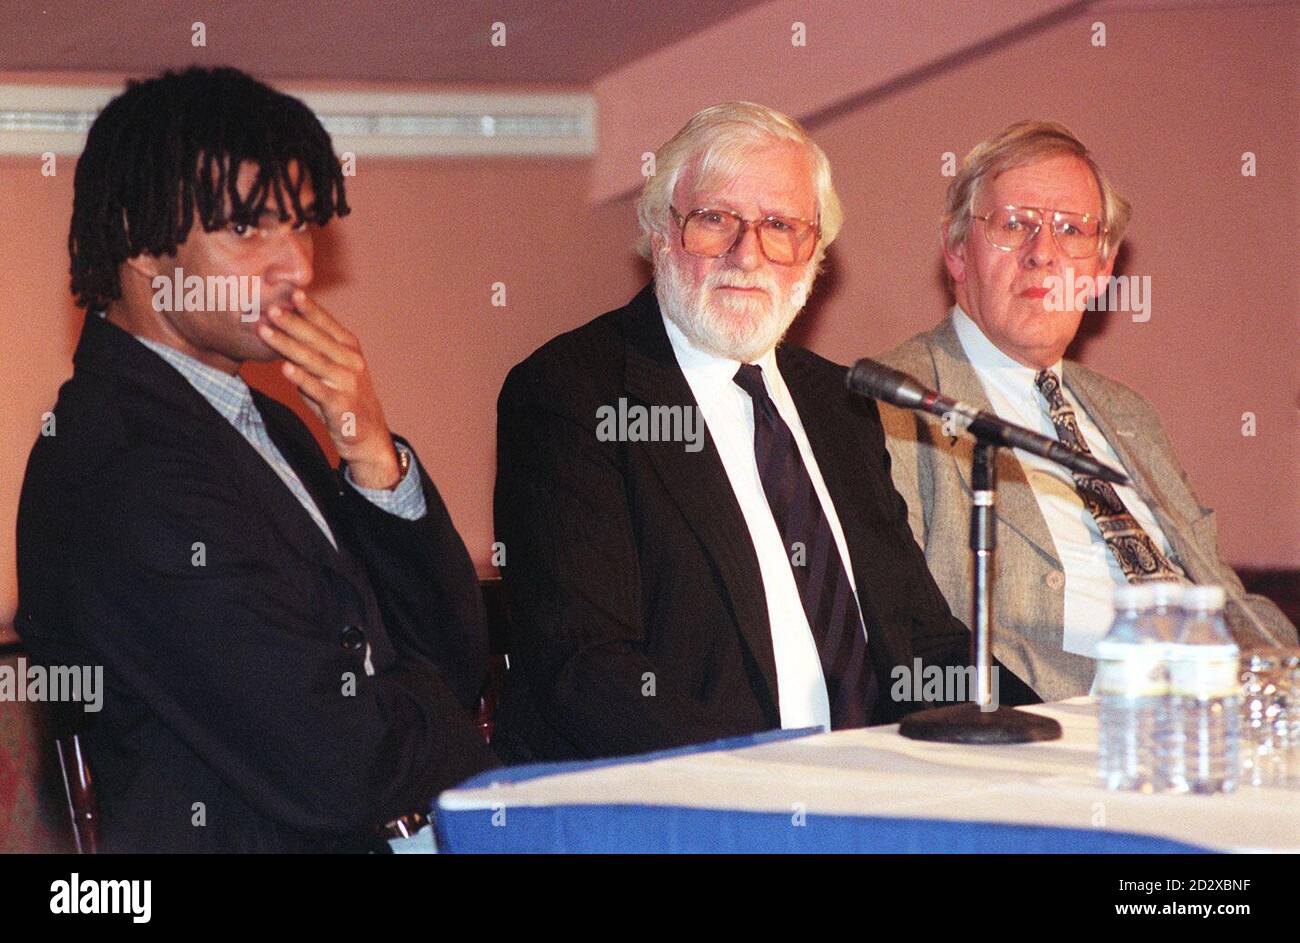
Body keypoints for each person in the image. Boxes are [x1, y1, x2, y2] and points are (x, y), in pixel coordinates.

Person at [15, 66, 496, 852]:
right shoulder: (123, 465)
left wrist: (371, 450)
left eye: (301, 226)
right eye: (248, 229)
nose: (298, 268)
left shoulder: (263, 421)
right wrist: (430, 705)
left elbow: (455, 651)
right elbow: (340, 762)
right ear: (141, 240)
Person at [493, 102, 1033, 763]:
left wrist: (1057, 731)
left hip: (874, 791)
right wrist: (772, 781)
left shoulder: (840, 402)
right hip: (694, 805)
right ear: (662, 231)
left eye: (780, 226)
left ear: (814, 253)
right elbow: (586, 671)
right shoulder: (573, 393)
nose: (747, 254)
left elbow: (919, 640)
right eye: (715, 219)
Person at [876, 120, 1297, 702]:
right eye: (1015, 225)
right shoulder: (892, 403)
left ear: (1101, 271)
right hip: (1059, 729)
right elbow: (908, 635)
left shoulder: (1129, 415)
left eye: (1071, 231)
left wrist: (1277, 677)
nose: (1042, 254)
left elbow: (1222, 594)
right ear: (956, 250)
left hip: (1213, 715)